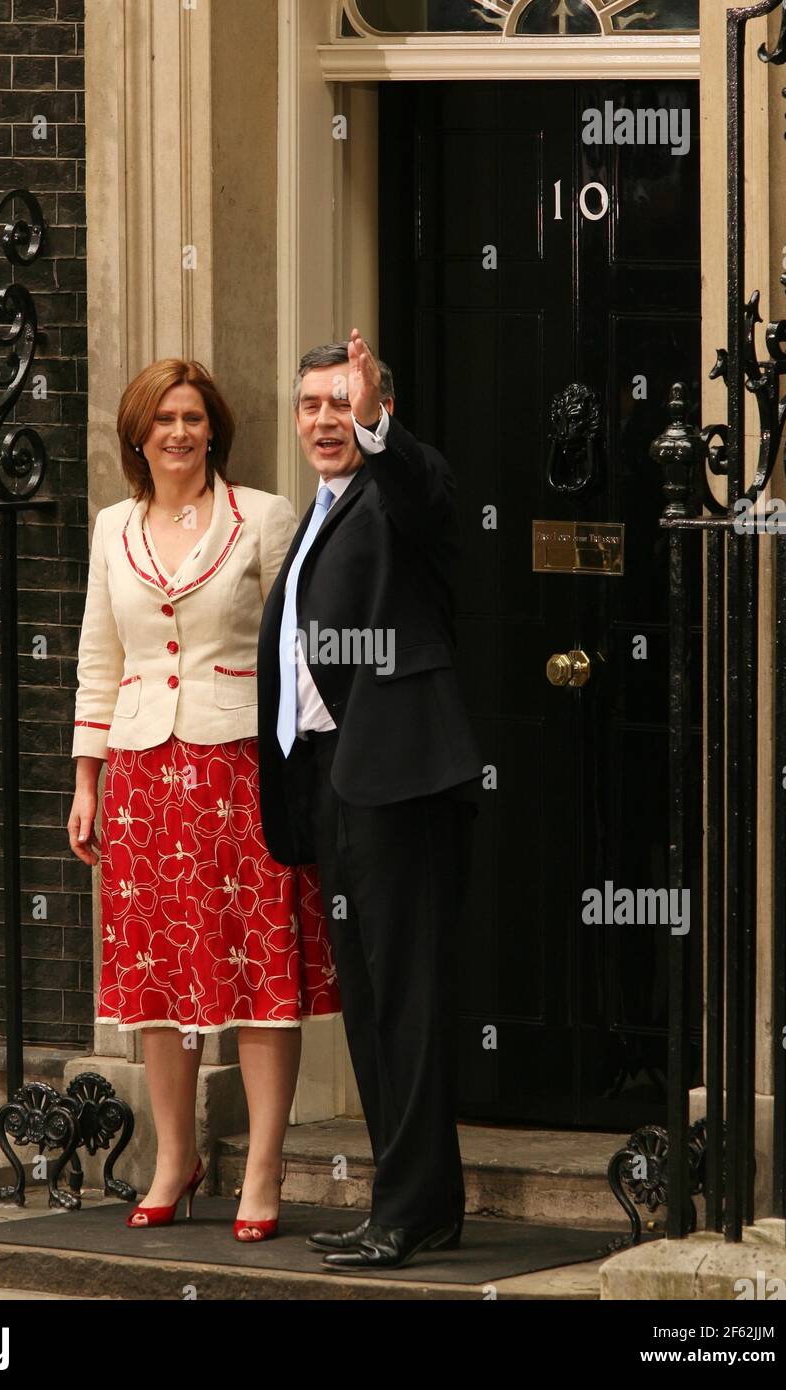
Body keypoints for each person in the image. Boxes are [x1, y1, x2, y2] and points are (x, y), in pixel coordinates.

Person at [67, 358, 341, 1242]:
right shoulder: (112, 527)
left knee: (258, 968)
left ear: (213, 429)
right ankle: (174, 1159)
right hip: (141, 775)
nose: (178, 433)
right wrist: (87, 778)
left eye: (192, 418)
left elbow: (298, 649)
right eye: (163, 420)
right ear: (137, 436)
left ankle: (263, 1168)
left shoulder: (262, 515)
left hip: (242, 768)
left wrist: (309, 766)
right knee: (160, 972)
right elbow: (100, 656)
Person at [256, 331, 483, 1271]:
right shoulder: (320, 512)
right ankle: (406, 1201)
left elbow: (427, 493)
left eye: (342, 403)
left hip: (400, 778)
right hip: (334, 779)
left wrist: (379, 426)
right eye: (311, 405)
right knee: (369, 1004)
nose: (326, 420)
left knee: (407, 1002)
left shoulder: (394, 493)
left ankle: (415, 1209)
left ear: (375, 409)